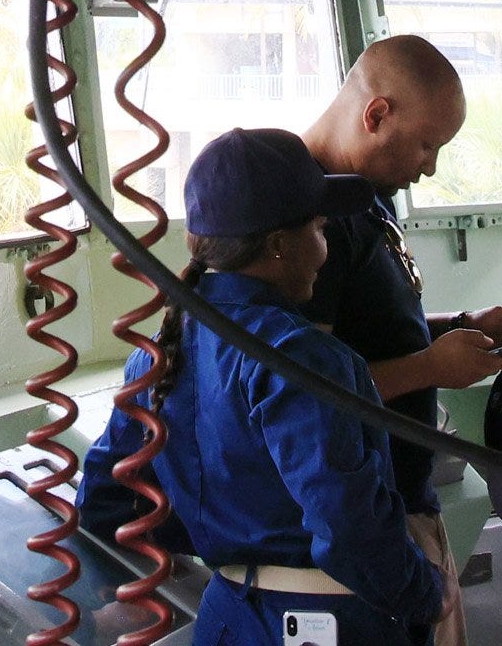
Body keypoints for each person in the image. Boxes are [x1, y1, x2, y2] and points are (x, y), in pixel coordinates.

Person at [79, 128, 444, 646]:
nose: (324, 249)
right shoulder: (307, 360)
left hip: (226, 618)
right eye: (319, 229)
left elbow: (104, 498)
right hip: (330, 622)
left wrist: (225, 544)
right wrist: (427, 593)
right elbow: (350, 531)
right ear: (278, 246)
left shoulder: (156, 354)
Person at [300, 36, 502, 646]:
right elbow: (303, 388)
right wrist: (432, 366)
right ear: (377, 115)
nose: (429, 167)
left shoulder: (367, 197)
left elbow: (364, 340)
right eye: (427, 145)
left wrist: (457, 329)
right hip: (363, 517)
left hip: (403, 497)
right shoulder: (305, 217)